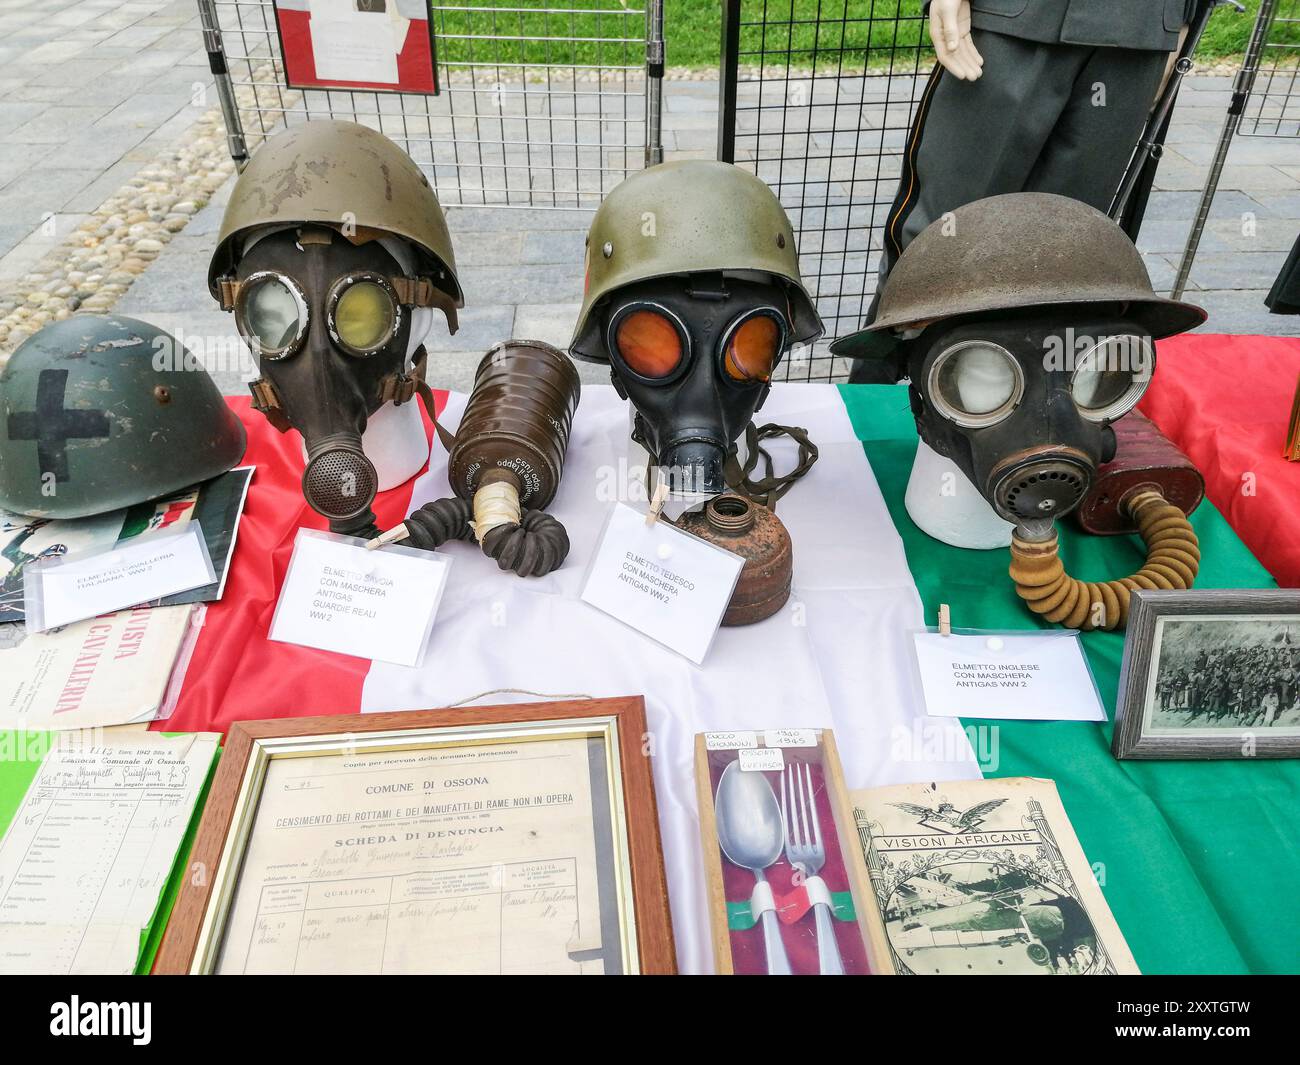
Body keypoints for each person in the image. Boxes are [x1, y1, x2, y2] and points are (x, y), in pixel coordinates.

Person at [849, 0, 1195, 381]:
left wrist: (1184, 16)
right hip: (1015, 19)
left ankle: (1005, 407)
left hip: (1140, 31)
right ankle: (875, 401)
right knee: (938, 233)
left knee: (1064, 250)